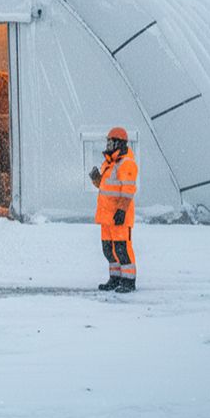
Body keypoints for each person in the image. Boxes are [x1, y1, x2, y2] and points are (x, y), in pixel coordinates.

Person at [89, 126, 137, 293]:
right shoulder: (109, 163)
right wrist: (97, 180)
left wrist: (122, 211)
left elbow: (128, 190)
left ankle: (129, 281)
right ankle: (115, 278)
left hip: (119, 216)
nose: (108, 145)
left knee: (122, 249)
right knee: (109, 250)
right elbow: (106, 187)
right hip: (106, 216)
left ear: (120, 143)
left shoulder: (126, 164)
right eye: (108, 142)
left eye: (111, 142)